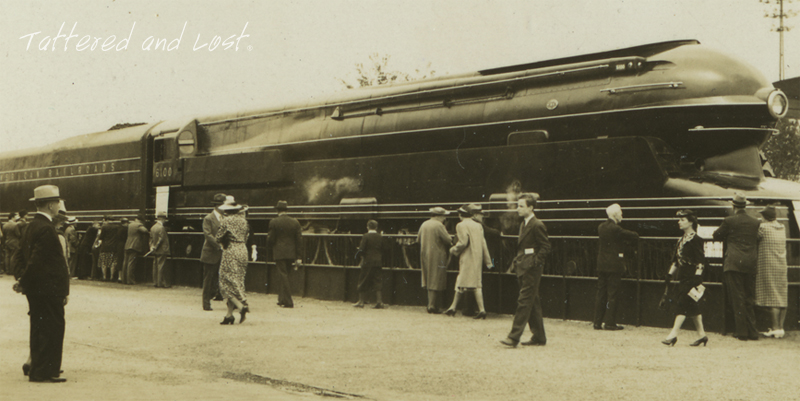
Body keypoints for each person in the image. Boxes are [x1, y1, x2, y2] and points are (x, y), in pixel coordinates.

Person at [12, 185, 70, 382]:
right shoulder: (46, 228)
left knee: (38, 327)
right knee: (52, 328)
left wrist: (22, 280)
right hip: (48, 289)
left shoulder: (30, 226)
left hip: (36, 289)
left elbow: (18, 256)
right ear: (51, 205)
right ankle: (45, 371)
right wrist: (24, 281)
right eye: (56, 202)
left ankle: (39, 366)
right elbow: (39, 261)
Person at [500, 193, 551, 347]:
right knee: (532, 302)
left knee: (524, 301)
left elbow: (545, 247)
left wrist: (534, 263)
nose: (518, 209)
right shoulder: (524, 224)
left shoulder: (537, 224)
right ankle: (539, 337)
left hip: (530, 269)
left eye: (521, 206)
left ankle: (513, 337)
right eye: (518, 205)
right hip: (524, 267)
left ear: (531, 207)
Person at [712, 192, 760, 341]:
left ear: (734, 206)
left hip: (733, 263)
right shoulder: (755, 222)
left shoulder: (729, 221)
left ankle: (742, 332)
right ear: (745, 206)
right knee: (749, 297)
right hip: (751, 263)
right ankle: (753, 332)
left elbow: (716, 235)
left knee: (737, 297)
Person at [659, 210, 708, 347]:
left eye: (682, 219)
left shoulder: (696, 240)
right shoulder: (681, 239)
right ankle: (702, 335)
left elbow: (700, 260)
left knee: (681, 304)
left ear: (691, 222)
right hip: (683, 276)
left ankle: (673, 335)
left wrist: (698, 276)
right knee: (692, 307)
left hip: (691, 278)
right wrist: (670, 274)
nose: (679, 222)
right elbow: (676, 260)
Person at [593, 204, 639, 331]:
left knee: (601, 293)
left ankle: (597, 322)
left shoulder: (601, 227)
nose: (622, 216)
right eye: (621, 213)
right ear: (615, 215)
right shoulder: (616, 229)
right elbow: (633, 235)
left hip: (602, 265)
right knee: (612, 295)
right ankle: (609, 323)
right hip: (614, 266)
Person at [444, 204, 493, 319]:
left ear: (461, 215)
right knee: (475, 284)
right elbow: (483, 243)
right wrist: (488, 261)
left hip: (467, 258)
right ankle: (478, 310)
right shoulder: (478, 226)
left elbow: (463, 242)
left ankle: (454, 308)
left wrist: (453, 249)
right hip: (477, 258)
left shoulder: (460, 225)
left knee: (462, 281)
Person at [755, 204, 788, 339]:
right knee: (781, 296)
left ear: (764, 217)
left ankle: (775, 328)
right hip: (781, 264)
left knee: (772, 296)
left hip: (767, 265)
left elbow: (754, 238)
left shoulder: (763, 228)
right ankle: (780, 327)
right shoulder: (782, 227)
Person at [216, 198, 251, 324]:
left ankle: (241, 306)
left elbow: (218, 237)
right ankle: (229, 315)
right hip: (242, 250)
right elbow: (247, 236)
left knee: (225, 281)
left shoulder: (226, 220)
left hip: (231, 251)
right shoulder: (244, 221)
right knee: (237, 280)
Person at [267, 200, 303, 308]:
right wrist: (299, 256)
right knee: (286, 275)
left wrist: (270, 246)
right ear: (286, 210)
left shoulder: (274, 222)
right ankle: (281, 299)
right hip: (291, 253)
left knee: (283, 276)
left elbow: (271, 239)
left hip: (279, 252)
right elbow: (299, 240)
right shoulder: (295, 222)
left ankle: (288, 301)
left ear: (277, 210)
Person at [417, 207, 452, 314]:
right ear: (438, 216)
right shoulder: (439, 225)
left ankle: (430, 304)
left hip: (425, 254)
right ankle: (432, 306)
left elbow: (418, 239)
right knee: (436, 279)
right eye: (444, 216)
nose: (445, 218)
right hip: (437, 255)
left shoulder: (424, 224)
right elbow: (448, 240)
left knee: (429, 279)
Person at [200, 193, 227, 311]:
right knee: (208, 279)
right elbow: (208, 235)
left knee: (221, 278)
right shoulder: (208, 218)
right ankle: (206, 303)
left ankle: (218, 296)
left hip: (222, 253)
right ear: (217, 206)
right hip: (211, 253)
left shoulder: (225, 218)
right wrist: (219, 245)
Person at [353, 220, 384, 309]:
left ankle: (361, 301)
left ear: (367, 227)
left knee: (363, 279)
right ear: (376, 227)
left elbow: (361, 249)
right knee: (377, 280)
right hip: (378, 261)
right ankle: (379, 302)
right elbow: (383, 248)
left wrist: (361, 257)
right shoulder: (380, 236)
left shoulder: (365, 236)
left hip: (367, 261)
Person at [122, 215, 150, 285]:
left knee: (125, 263)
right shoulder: (139, 225)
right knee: (131, 263)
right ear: (140, 220)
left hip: (127, 245)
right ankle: (130, 280)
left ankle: (124, 279)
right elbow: (145, 230)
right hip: (134, 246)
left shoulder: (130, 225)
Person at [96, 216, 122, 281]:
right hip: (114, 247)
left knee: (104, 262)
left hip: (105, 246)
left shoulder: (104, 227)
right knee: (113, 262)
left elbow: (101, 237)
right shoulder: (117, 227)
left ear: (107, 220)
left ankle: (104, 277)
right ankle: (112, 277)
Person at [150, 212, 171, 288]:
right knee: (161, 266)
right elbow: (161, 239)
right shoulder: (161, 228)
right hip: (162, 249)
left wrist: (152, 247)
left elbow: (151, 239)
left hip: (155, 250)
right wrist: (156, 246)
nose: (165, 221)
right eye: (164, 219)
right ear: (162, 219)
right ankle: (160, 283)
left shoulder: (153, 227)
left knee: (155, 265)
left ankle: (155, 282)